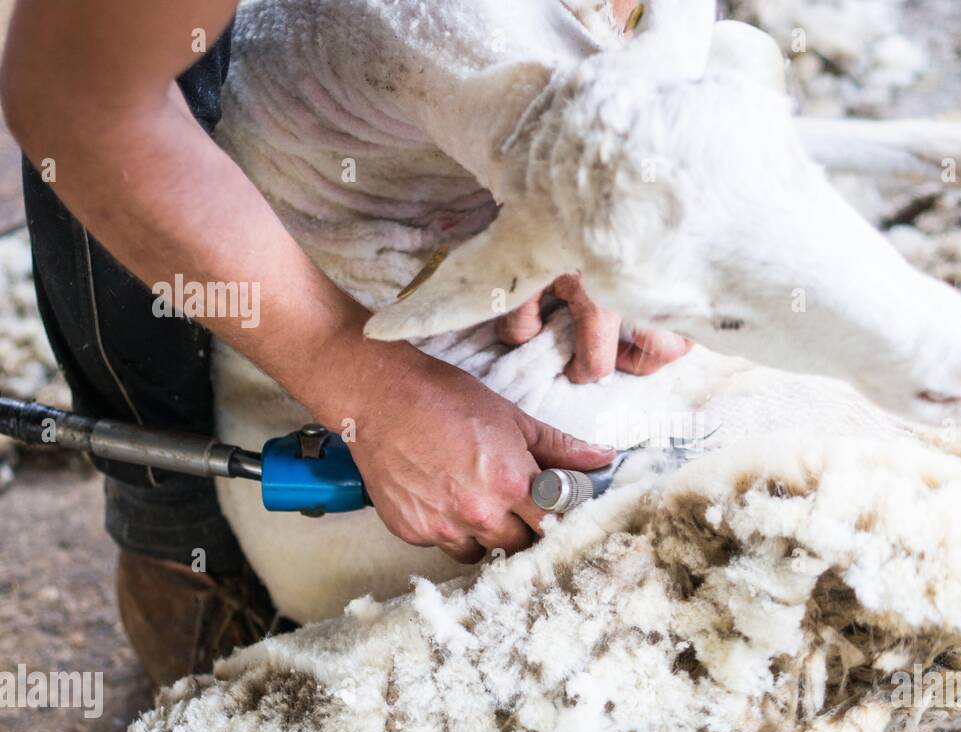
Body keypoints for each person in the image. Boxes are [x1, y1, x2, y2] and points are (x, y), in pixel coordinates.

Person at [0, 0, 688, 684]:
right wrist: (365, 384)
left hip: (409, 137)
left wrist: (589, 187)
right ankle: (174, 529)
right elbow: (76, 100)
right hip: (179, 89)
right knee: (129, 67)